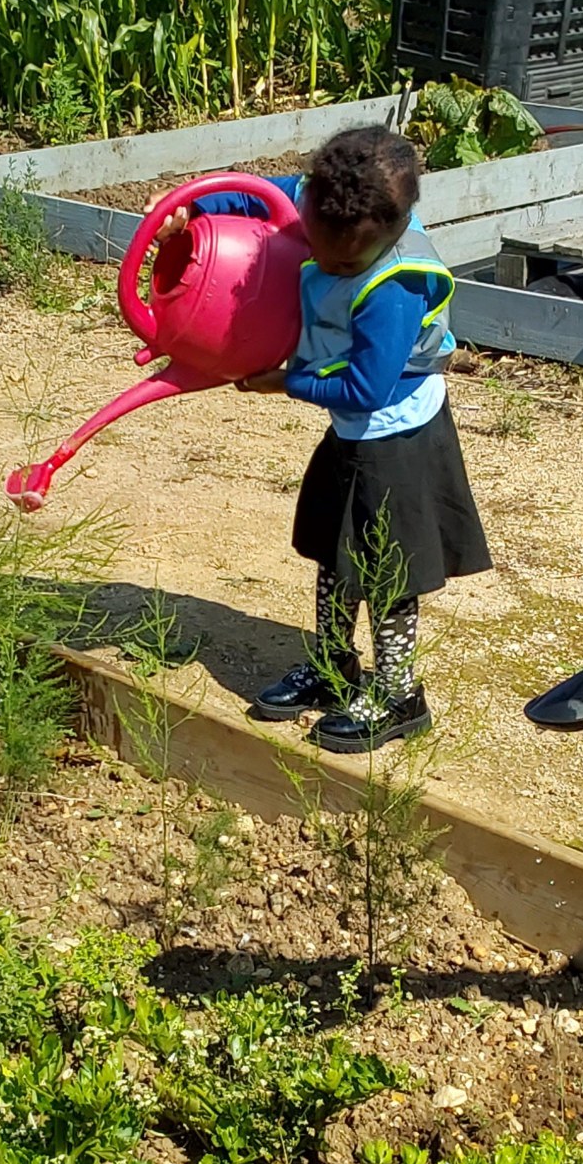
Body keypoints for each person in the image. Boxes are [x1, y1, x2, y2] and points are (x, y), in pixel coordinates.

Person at [146, 126, 491, 753]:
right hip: (353, 436)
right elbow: (260, 199)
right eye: (318, 248)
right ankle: (336, 670)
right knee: (335, 556)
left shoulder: (397, 285)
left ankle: (398, 694)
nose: (326, 264)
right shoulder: (325, 203)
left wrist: (285, 381)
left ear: (391, 230)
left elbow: (365, 388)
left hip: (398, 441)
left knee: (388, 574)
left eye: (343, 263)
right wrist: (191, 210)